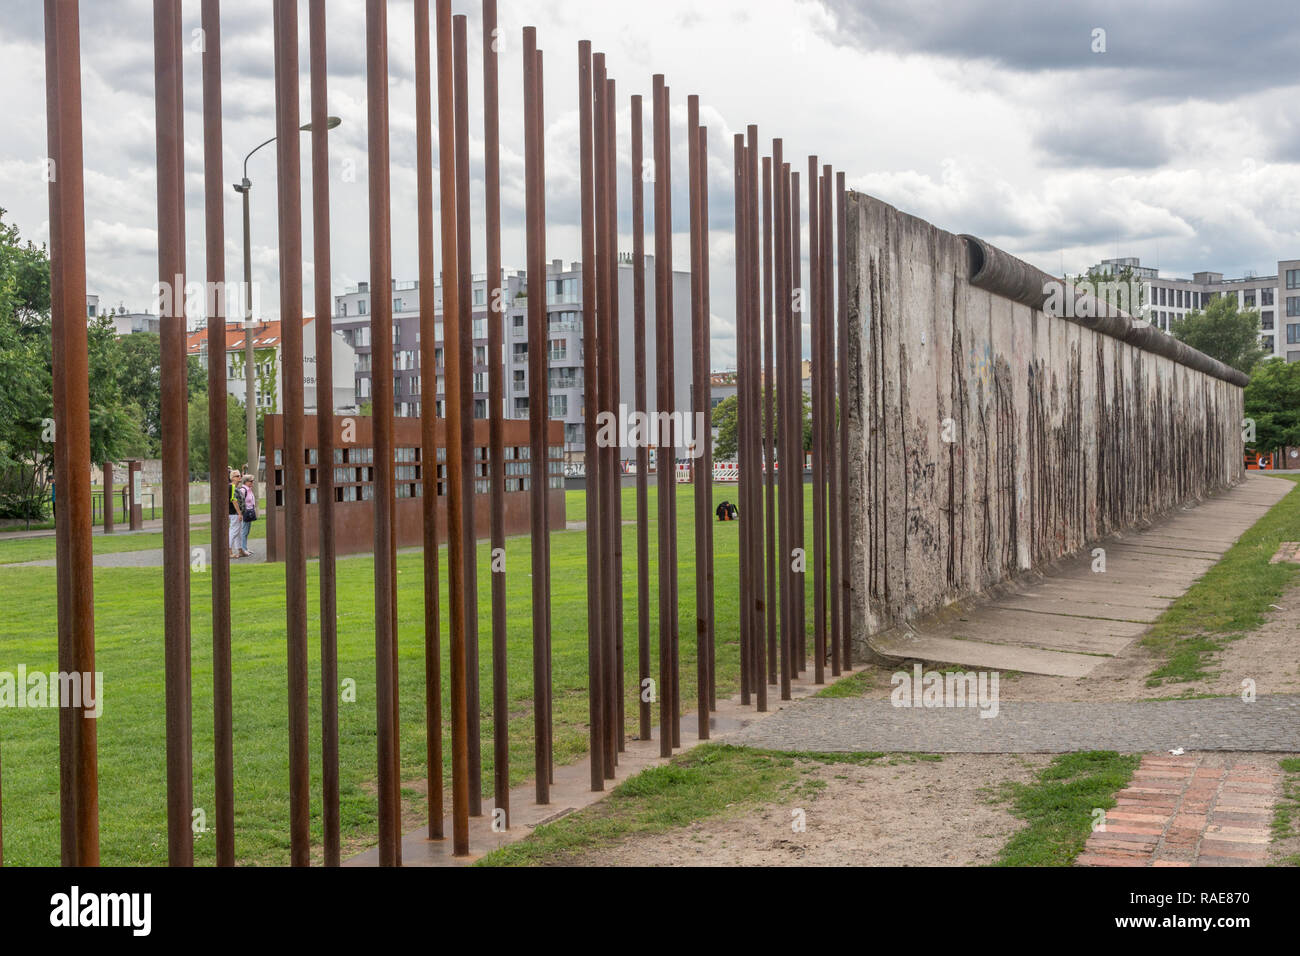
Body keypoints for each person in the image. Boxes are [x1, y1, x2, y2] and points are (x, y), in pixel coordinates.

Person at [238, 475, 256, 557]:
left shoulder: (249, 490)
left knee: (247, 531)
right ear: (246, 481)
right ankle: (243, 549)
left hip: (249, 512)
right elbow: (239, 502)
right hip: (245, 513)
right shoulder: (243, 490)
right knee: (244, 531)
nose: (252, 482)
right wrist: (240, 513)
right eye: (251, 481)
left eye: (253, 481)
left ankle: (245, 547)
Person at [228, 470, 243, 559]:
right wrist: (239, 513)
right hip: (234, 513)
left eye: (240, 475)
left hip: (232, 513)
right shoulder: (232, 486)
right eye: (237, 476)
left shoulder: (231, 486)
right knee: (234, 531)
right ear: (232, 478)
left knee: (238, 532)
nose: (239, 477)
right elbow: (234, 500)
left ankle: (240, 550)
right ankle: (229, 551)